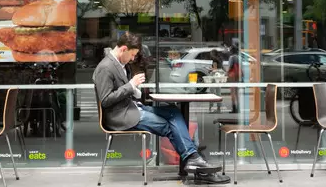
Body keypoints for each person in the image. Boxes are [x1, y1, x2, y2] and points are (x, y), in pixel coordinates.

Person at [93, 33, 227, 183]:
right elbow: (105, 100)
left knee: (174, 112)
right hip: (121, 116)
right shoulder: (105, 67)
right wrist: (130, 86)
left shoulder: (119, 64)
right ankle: (193, 158)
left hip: (132, 108)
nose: (132, 59)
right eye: (132, 55)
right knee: (168, 126)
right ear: (124, 49)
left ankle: (192, 157)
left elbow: (122, 91)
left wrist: (134, 91)